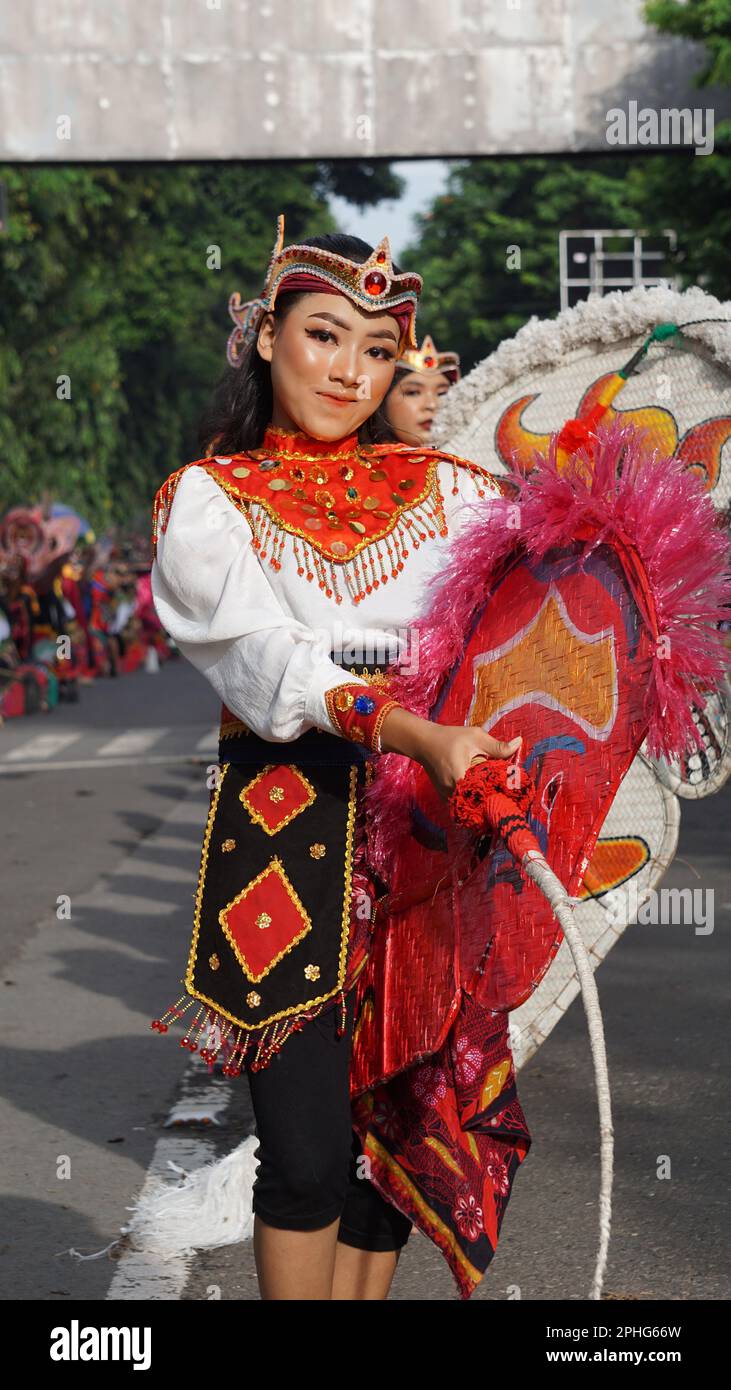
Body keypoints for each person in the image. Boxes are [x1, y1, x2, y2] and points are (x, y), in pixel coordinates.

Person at [149, 215, 522, 1300]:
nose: (348, 371)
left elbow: (524, 612)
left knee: (394, 1146)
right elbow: (268, 664)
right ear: (265, 336)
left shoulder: (451, 493)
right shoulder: (207, 502)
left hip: (425, 831)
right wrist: (412, 726)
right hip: (287, 831)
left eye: (375, 349)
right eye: (322, 335)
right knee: (306, 1154)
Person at [383, 331, 460, 446]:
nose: (432, 405)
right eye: (413, 392)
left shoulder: (469, 462)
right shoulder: (354, 462)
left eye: (443, 393)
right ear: (382, 400)